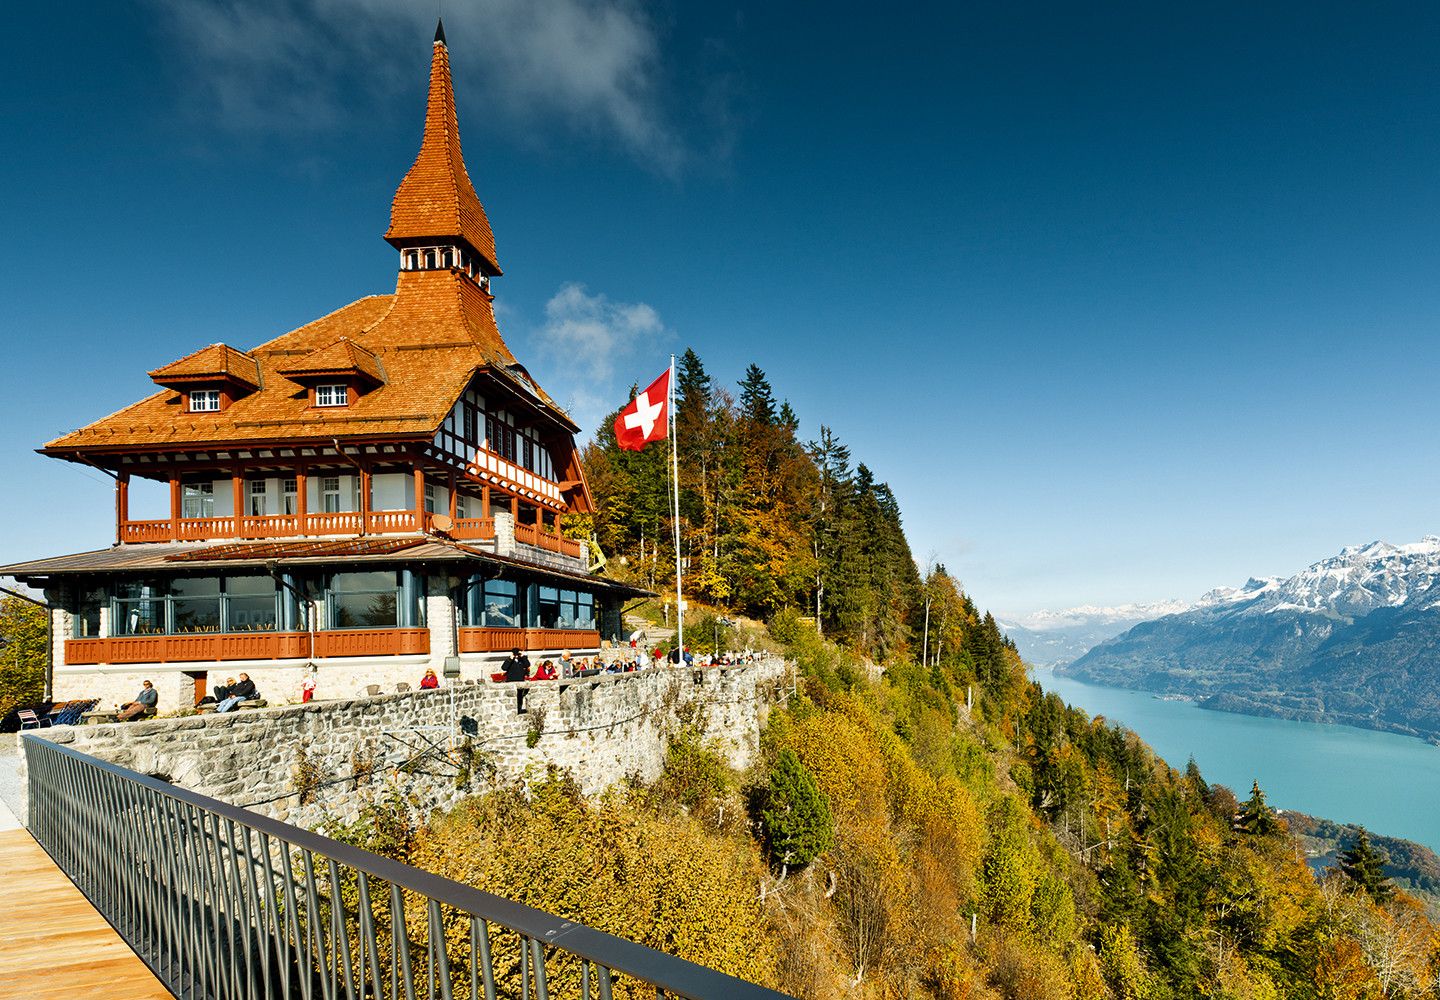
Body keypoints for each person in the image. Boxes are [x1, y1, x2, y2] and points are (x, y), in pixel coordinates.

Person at [501, 648, 530, 713]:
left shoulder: (522, 660)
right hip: (511, 681)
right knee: (512, 697)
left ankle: (519, 710)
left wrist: (523, 657)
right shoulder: (510, 660)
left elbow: (528, 665)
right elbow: (504, 668)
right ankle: (512, 711)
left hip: (520, 681)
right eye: (516, 654)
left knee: (520, 697)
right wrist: (510, 658)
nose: (517, 655)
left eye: (518, 654)